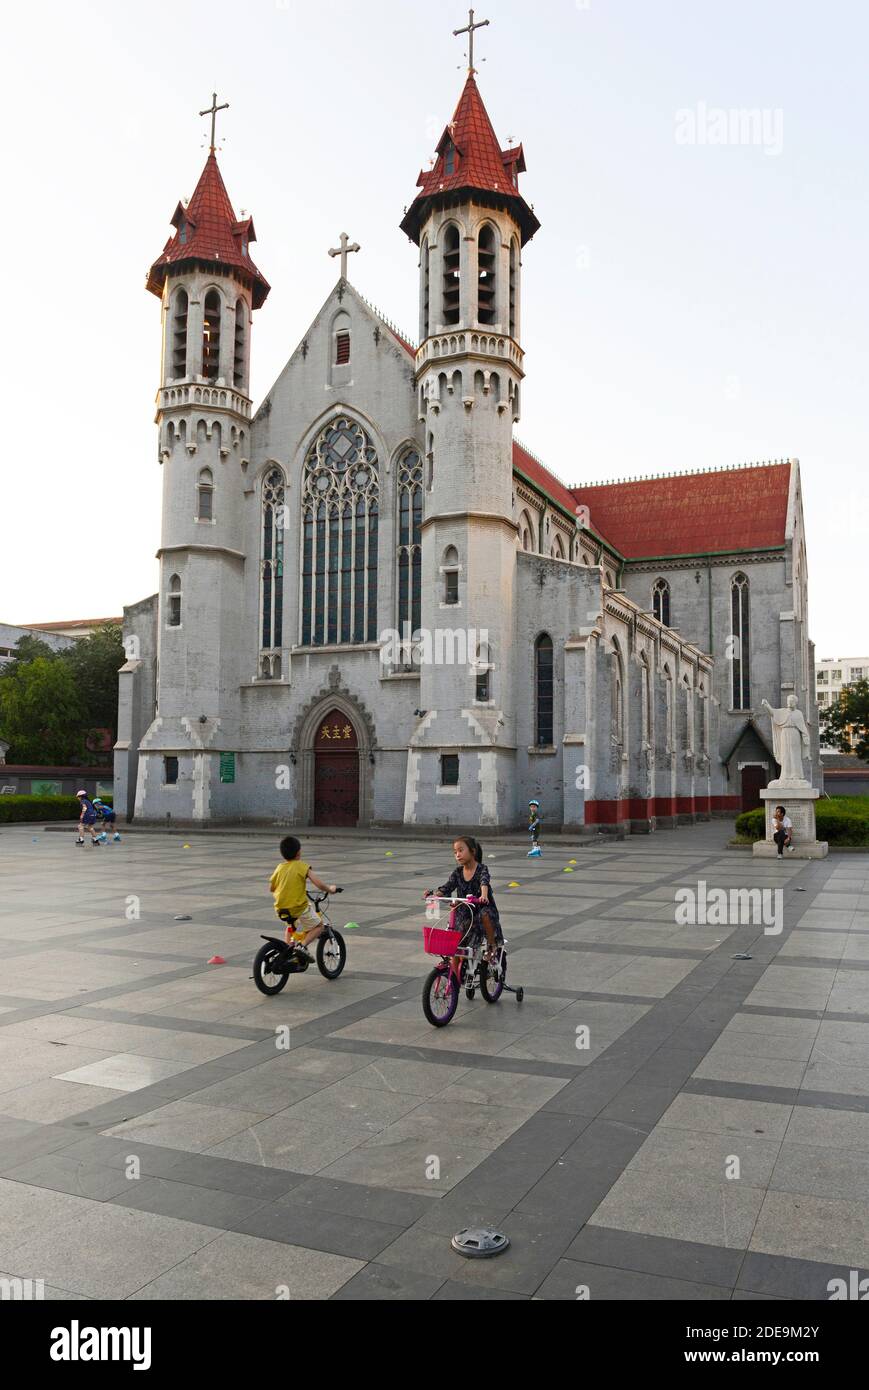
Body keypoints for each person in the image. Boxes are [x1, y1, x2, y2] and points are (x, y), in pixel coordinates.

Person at [425, 836, 502, 966]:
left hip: (481, 908)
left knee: (485, 915)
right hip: (464, 911)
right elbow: (447, 887)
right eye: (455, 852)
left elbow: (484, 881)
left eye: (461, 850)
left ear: (472, 851)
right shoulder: (457, 872)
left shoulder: (482, 869)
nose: (457, 855)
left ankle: (491, 945)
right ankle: (454, 980)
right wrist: (433, 895)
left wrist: (483, 896)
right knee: (454, 946)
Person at [269, 835, 337, 962]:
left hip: (281, 908)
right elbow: (319, 884)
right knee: (319, 926)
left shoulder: (279, 868)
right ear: (299, 852)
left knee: (291, 926)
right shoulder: (302, 866)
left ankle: (288, 951)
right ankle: (302, 946)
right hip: (298, 907)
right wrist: (330, 889)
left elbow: (272, 888)